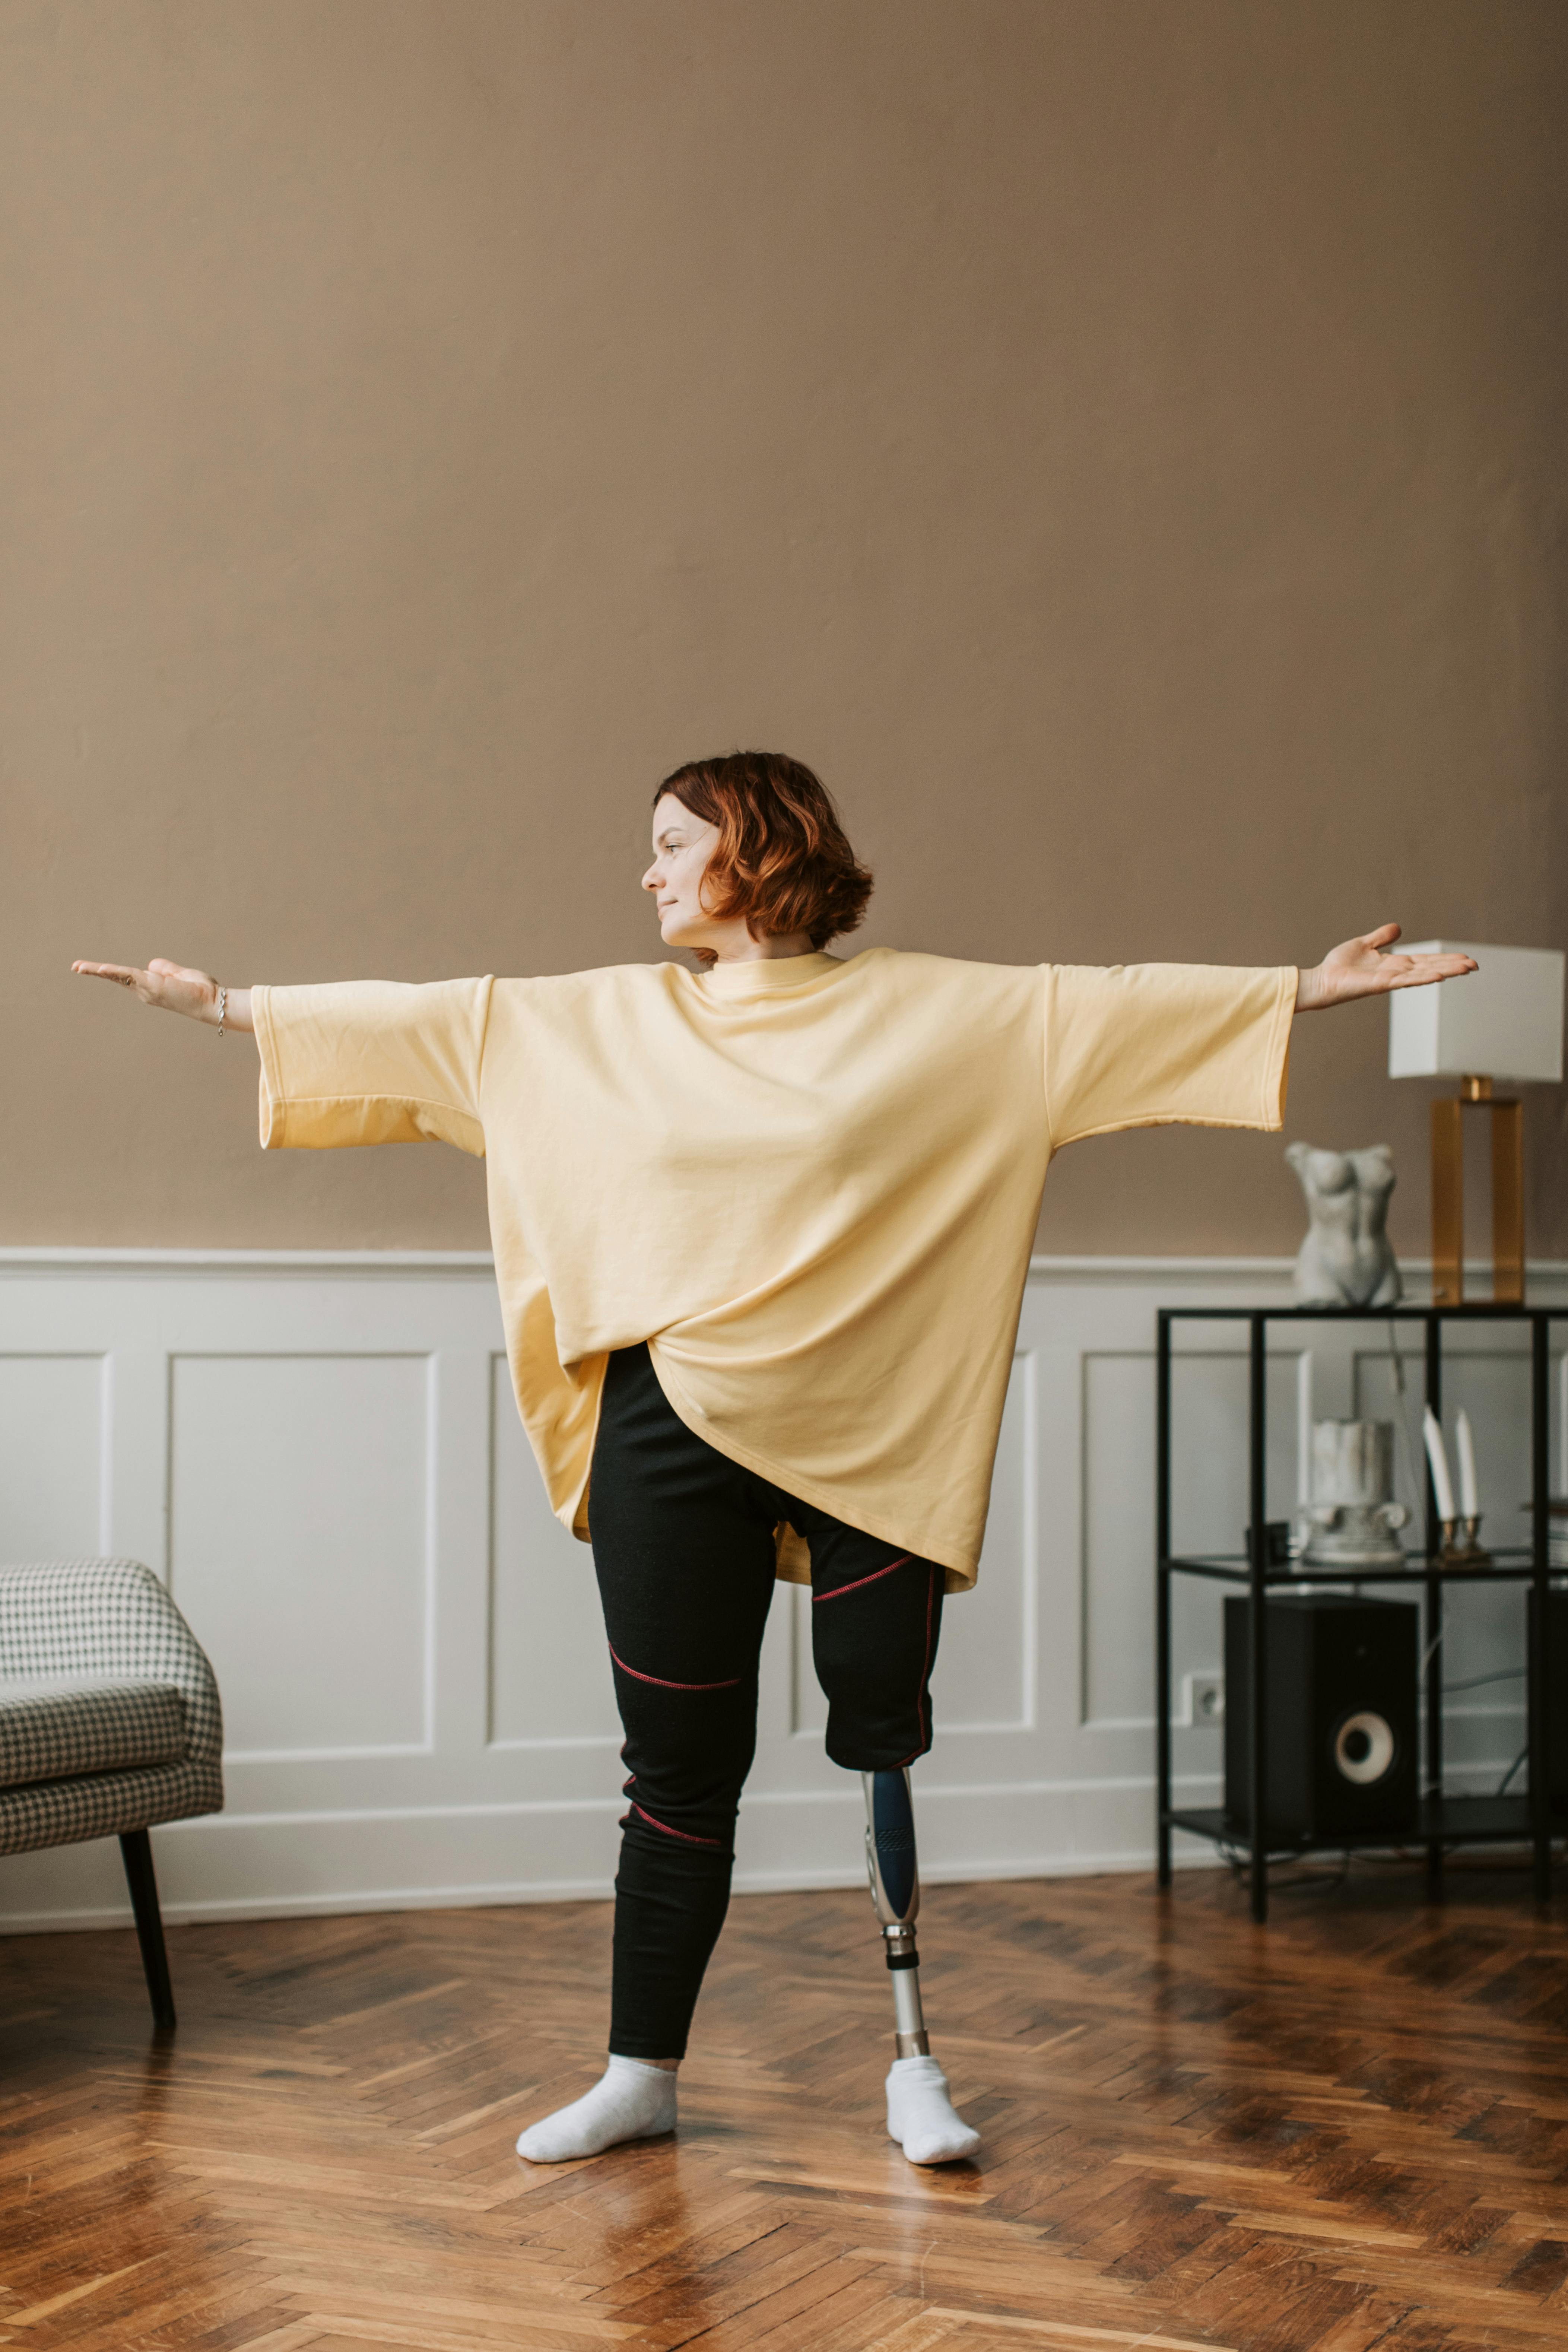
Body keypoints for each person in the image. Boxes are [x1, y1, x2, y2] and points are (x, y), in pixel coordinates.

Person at [74, 750, 1475, 2169]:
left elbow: (1113, 1006)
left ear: (754, 847)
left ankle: (913, 2059)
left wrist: (1307, 987)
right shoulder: (598, 1022)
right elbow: (427, 1024)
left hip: (875, 1424)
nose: (649, 871)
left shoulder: (942, 1010)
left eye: (674, 842)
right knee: (678, 1766)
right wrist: (230, 1009)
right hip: (665, 1431)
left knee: (879, 1726)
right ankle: (640, 2071)